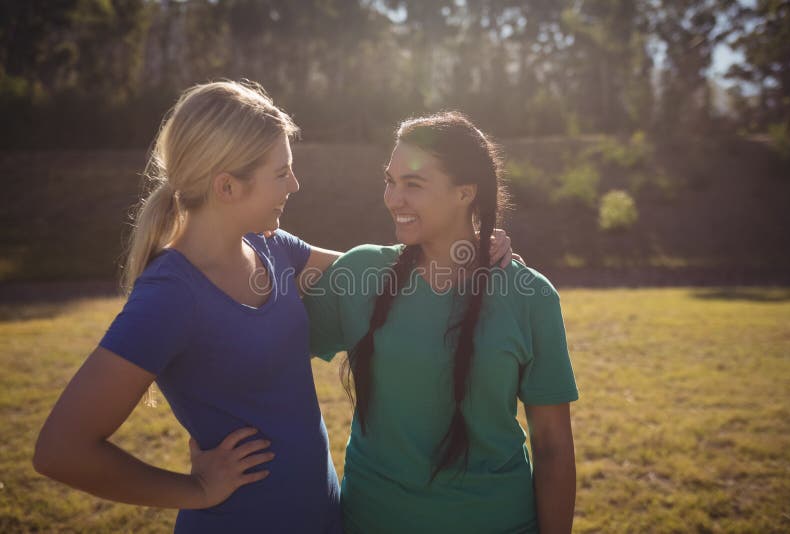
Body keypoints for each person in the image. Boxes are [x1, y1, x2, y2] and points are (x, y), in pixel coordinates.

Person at [33, 81, 514, 532]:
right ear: (226, 187)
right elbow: (61, 449)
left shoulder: (273, 248)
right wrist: (194, 488)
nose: (295, 185)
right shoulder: (169, 296)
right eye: (281, 173)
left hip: (324, 518)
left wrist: (464, 240)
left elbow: (380, 272)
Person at [303, 112, 579, 533]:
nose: (394, 199)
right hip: (373, 520)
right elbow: (264, 343)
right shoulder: (359, 275)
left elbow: (554, 446)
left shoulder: (531, 296)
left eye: (412, 184)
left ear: (465, 192)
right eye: (390, 182)